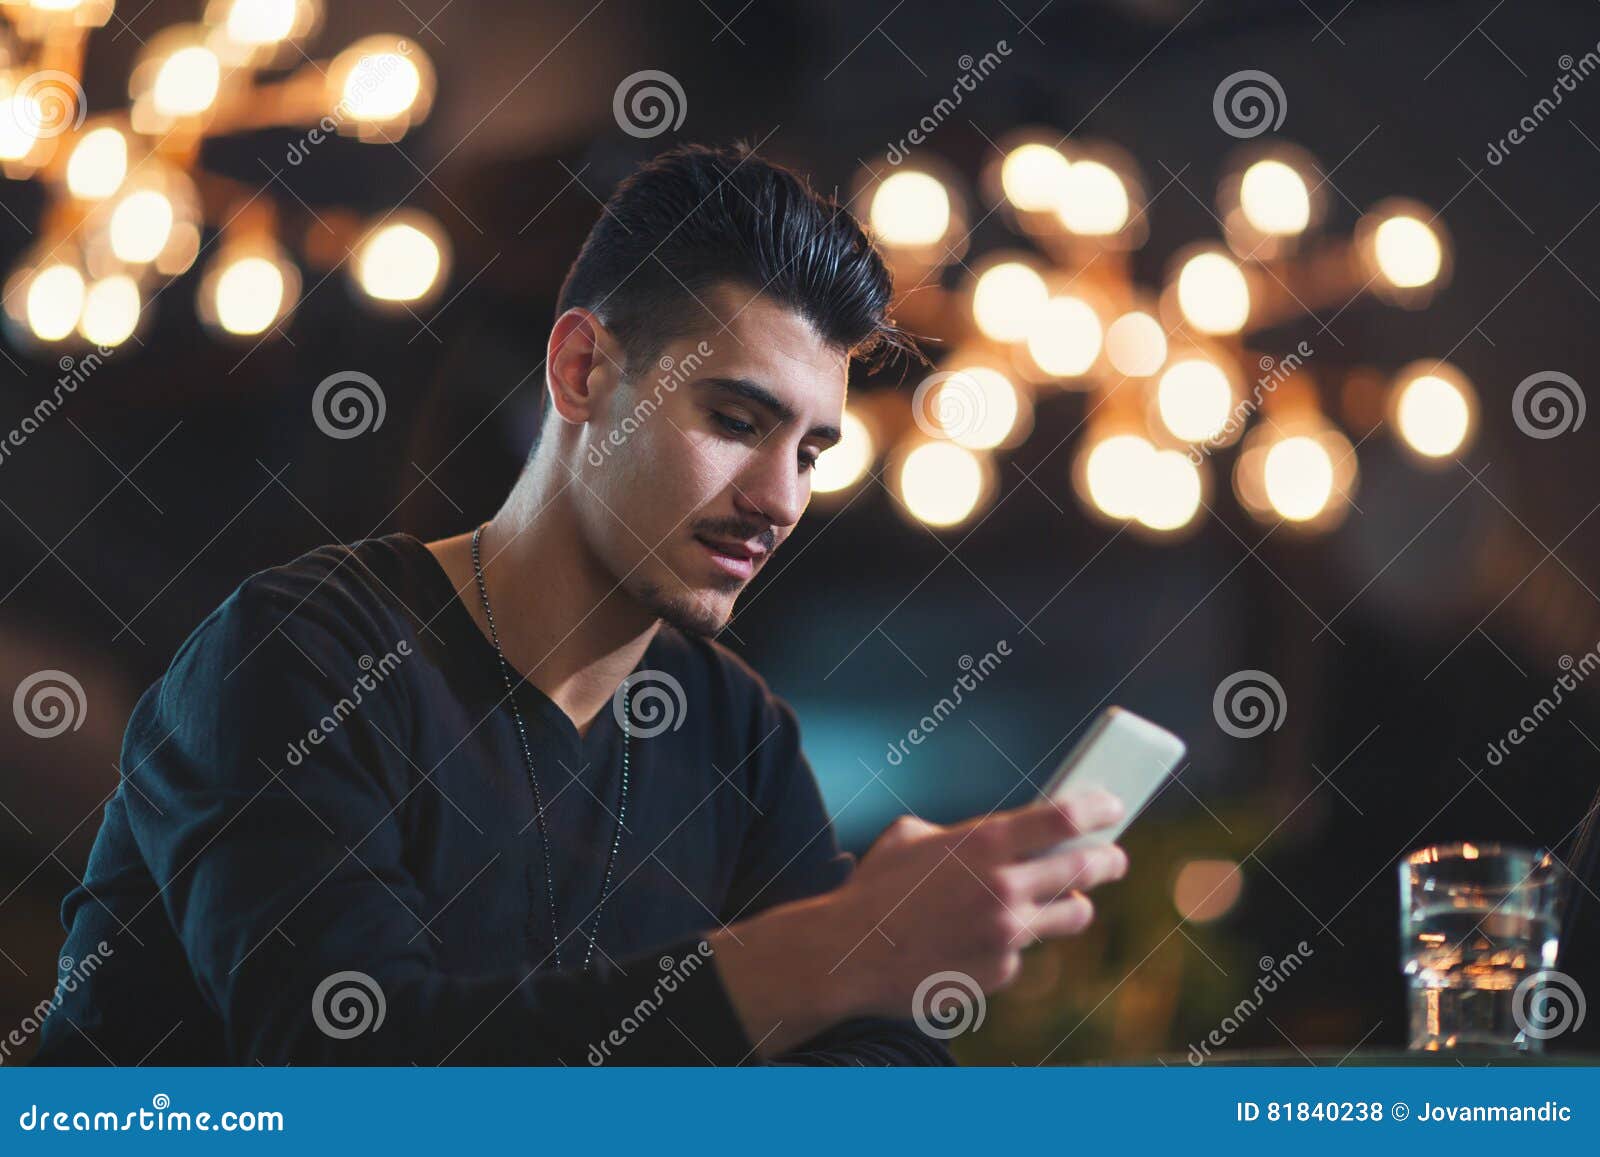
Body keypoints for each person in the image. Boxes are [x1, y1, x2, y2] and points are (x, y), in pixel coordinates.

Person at [36, 143, 1129, 1066]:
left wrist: (879, 965)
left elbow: (866, 1070)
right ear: (581, 371)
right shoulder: (301, 652)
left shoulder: (731, 731)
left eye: (812, 449)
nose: (779, 497)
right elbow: (350, 1069)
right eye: (737, 420)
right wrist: (834, 944)